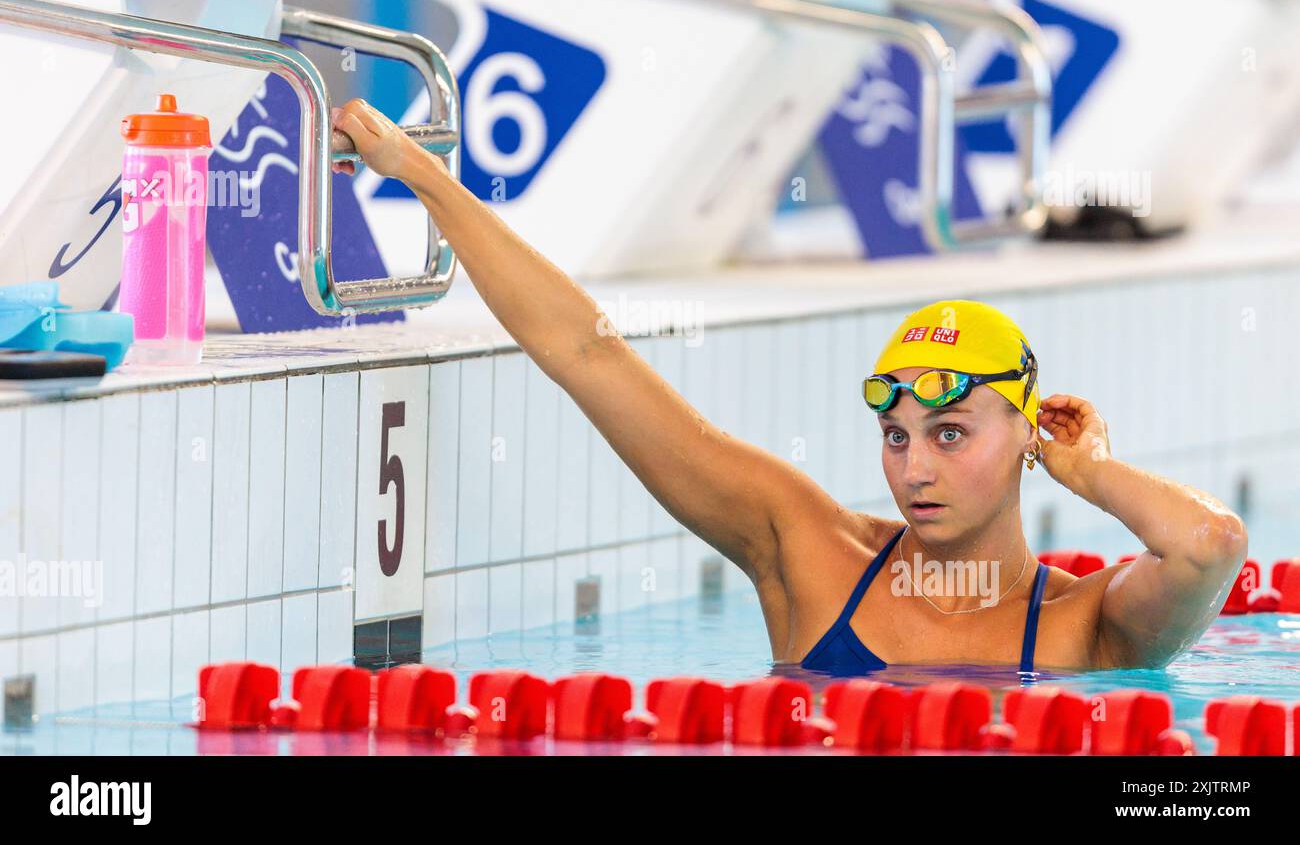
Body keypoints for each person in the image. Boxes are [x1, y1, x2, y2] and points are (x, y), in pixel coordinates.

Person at [331, 98, 1248, 673]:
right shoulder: (809, 554)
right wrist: (421, 177)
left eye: (952, 433)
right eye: (898, 437)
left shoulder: (1086, 627)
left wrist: (1087, 473)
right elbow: (590, 354)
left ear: (1023, 440)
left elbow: (1210, 543)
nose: (915, 468)